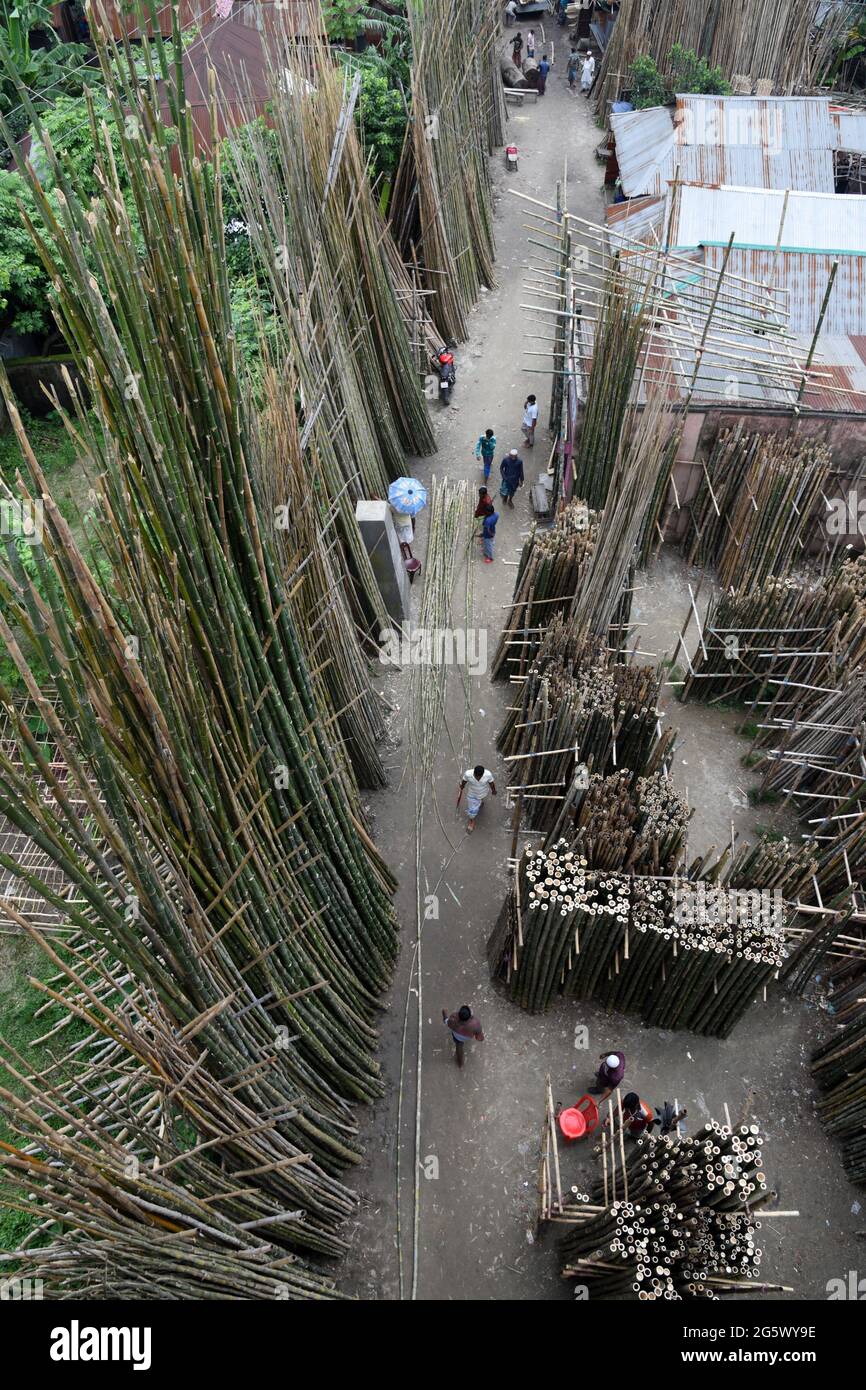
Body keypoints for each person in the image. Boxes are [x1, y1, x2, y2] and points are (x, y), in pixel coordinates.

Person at [457, 764, 497, 831]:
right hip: (472, 794)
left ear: (482, 774)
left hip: (483, 792)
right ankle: (472, 821)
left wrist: (494, 791)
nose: (478, 778)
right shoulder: (468, 774)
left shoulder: (488, 774)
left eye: (479, 777)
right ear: (474, 773)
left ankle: (480, 802)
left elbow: (491, 783)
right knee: (472, 809)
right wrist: (462, 786)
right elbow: (464, 781)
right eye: (476, 776)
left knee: (480, 799)